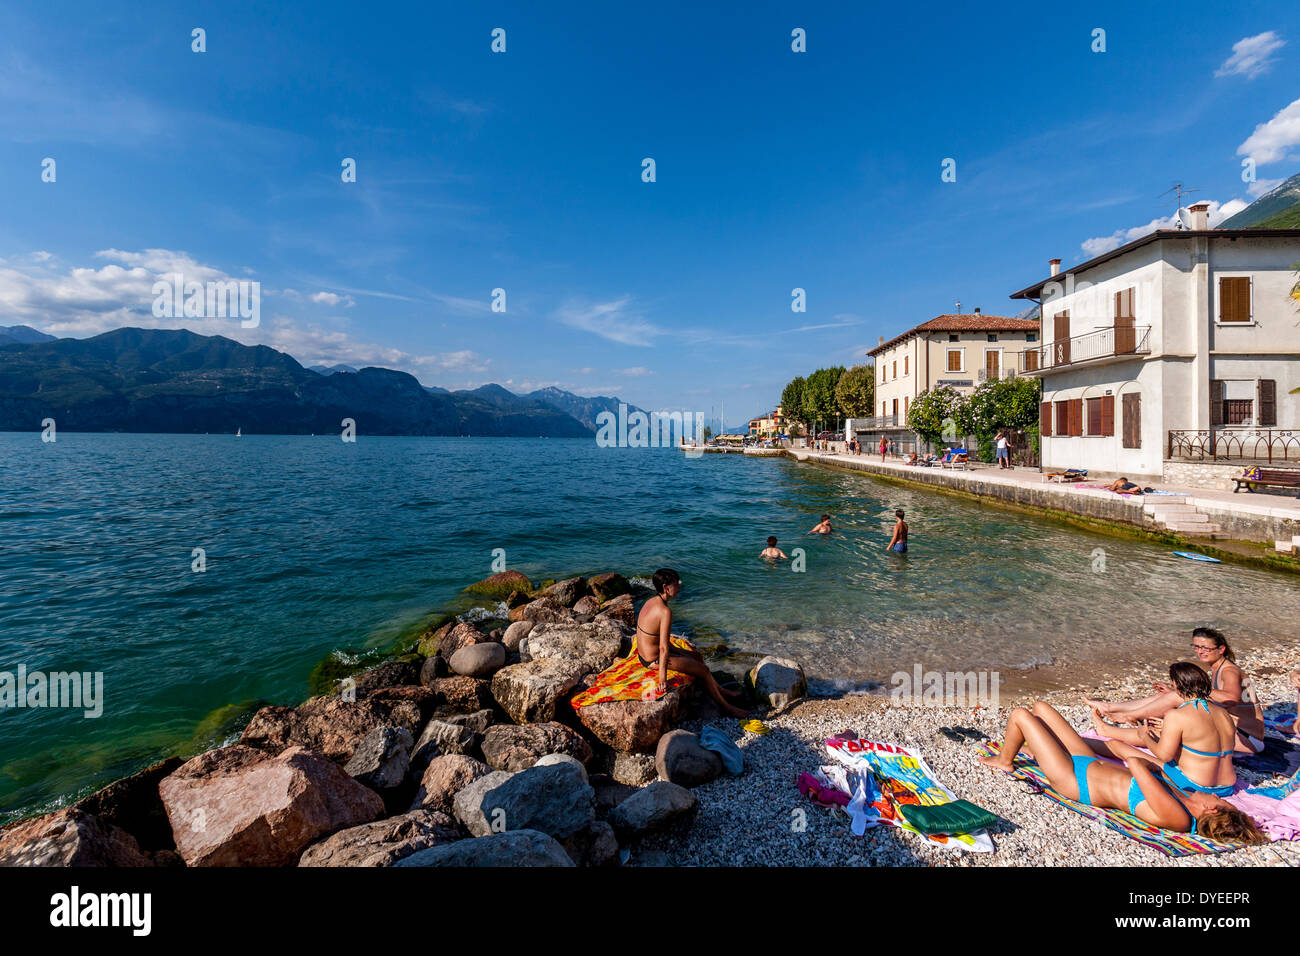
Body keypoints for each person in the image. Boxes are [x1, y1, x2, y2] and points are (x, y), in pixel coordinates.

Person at [979, 701, 1266, 842]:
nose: (1217, 797)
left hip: (1075, 780)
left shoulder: (1178, 817)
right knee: (1041, 708)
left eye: (1222, 802)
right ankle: (1034, 751)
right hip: (1088, 762)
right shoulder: (1187, 798)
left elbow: (1139, 768)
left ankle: (1006, 760)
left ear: (1212, 810)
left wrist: (1147, 754)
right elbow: (1142, 766)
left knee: (1020, 715)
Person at [1085, 628, 1266, 753]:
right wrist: (1179, 689)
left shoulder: (1229, 671)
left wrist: (1190, 690)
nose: (1200, 652)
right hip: (1236, 730)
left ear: (1221, 649)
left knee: (1170, 727)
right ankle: (1111, 707)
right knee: (1171, 695)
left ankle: (1118, 724)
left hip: (1247, 739)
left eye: (1205, 647)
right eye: (1197, 647)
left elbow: (1232, 698)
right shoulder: (1219, 666)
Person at [1091, 663, 1238, 796]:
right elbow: (1206, 740)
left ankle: (1078, 743)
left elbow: (1164, 756)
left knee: (1117, 746)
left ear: (1177, 685)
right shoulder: (1223, 714)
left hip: (1196, 786)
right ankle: (1105, 730)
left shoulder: (1178, 715)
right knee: (1163, 736)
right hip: (1227, 786)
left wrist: (1145, 737)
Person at [634, 568, 748, 718]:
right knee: (704, 671)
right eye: (676, 583)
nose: (679, 587)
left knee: (697, 657)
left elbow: (656, 638)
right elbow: (662, 648)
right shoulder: (665, 611)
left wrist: (683, 652)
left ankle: (720, 690)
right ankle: (728, 708)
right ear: (665, 588)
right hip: (652, 659)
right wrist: (662, 678)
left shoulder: (651, 601)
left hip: (644, 654)